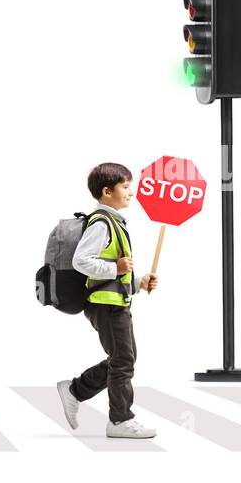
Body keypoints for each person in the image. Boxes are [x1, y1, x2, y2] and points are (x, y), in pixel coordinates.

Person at [56, 162, 159, 439]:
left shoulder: (114, 222)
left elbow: (114, 268)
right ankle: (119, 420)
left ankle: (75, 390)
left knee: (123, 358)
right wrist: (118, 269)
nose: (131, 192)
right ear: (106, 191)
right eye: (125, 186)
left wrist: (138, 281)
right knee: (123, 359)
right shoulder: (102, 223)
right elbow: (81, 261)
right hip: (105, 303)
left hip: (114, 300)